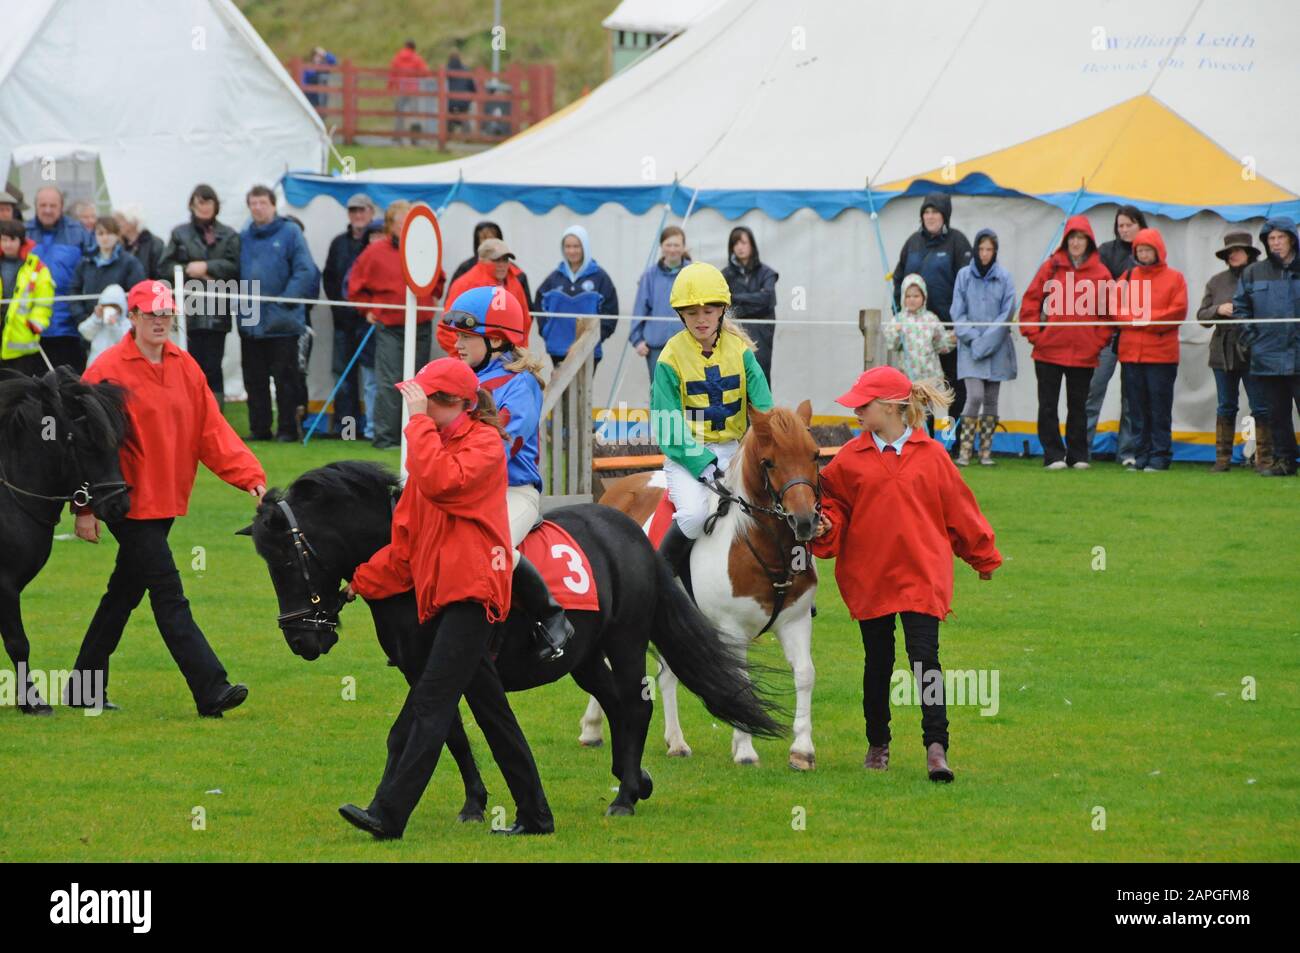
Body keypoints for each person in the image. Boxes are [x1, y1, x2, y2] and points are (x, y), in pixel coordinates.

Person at [339, 357, 554, 839]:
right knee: (492, 713)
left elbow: (441, 481)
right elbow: (406, 544)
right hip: (446, 596)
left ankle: (388, 815)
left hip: (474, 594)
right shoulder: (431, 448)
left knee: (432, 703)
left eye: (424, 399)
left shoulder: (482, 446)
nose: (415, 405)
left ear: (455, 403)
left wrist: (417, 424)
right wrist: (361, 580)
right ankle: (537, 816)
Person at [69, 279, 266, 716]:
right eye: (150, 313)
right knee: (169, 593)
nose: (160, 320)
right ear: (133, 317)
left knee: (123, 594)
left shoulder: (186, 366)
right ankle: (211, 688)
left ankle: (83, 684)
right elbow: (82, 444)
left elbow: (211, 431)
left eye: (166, 313)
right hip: (126, 503)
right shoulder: (106, 369)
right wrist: (83, 507)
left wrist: (250, 476)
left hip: (167, 501)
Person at [811, 365, 1000, 782]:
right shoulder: (847, 459)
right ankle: (877, 743)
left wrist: (981, 556)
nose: (856, 412)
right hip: (870, 575)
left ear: (892, 407)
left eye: (864, 405)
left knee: (925, 661)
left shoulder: (933, 456)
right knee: (878, 662)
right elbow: (830, 506)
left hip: (921, 575)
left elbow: (960, 511)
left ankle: (936, 748)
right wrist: (824, 524)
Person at [441, 285, 573, 659]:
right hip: (465, 487)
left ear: (496, 339)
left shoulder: (522, 383)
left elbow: (502, 445)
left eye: (467, 336)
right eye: (458, 336)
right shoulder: (460, 376)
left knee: (490, 547)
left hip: (514, 491)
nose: (458, 344)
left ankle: (552, 618)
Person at [651, 262, 772, 578]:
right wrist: (703, 464)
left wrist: (767, 446)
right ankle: (660, 581)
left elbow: (763, 407)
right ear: (681, 315)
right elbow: (667, 423)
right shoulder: (670, 356)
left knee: (775, 505)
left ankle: (796, 586)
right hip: (687, 456)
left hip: (734, 452)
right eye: (692, 313)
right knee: (693, 516)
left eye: (708, 311)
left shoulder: (741, 351)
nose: (700, 319)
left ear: (721, 310)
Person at [348, 200, 444, 450]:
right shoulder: (375, 252)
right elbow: (354, 286)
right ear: (391, 225)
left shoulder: (423, 249)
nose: (407, 227)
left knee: (421, 383)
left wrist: (429, 298)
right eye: (403, 222)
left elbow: (438, 279)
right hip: (390, 326)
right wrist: (368, 309)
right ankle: (386, 438)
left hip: (421, 326)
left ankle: (417, 436)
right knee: (390, 382)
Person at [1019, 215, 1113, 469]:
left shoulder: (1101, 273)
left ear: (1089, 241)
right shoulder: (1050, 267)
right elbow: (1030, 302)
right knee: (1048, 405)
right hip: (1048, 351)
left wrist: (1097, 342)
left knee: (1079, 406)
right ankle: (1053, 455)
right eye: (1072, 237)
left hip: (1084, 353)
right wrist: (1036, 336)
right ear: (1066, 240)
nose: (1076, 242)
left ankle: (1078, 455)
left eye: (1080, 238)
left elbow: (1110, 314)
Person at [238, 185, 320, 442]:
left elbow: (305, 270)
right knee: (254, 379)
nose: (257, 208)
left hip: (283, 322)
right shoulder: (243, 237)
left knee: (286, 379)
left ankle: (287, 429)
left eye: (262, 202)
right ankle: (259, 429)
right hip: (250, 321)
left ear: (273, 205)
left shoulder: (291, 233)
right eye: (253, 203)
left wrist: (285, 300)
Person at [893, 192, 973, 449]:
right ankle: (920, 442)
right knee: (915, 397)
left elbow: (967, 283)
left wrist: (961, 321)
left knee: (949, 394)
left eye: (935, 212)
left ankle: (950, 442)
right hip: (914, 337)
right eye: (926, 212)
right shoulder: (912, 243)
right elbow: (898, 279)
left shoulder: (957, 242)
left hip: (945, 332)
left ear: (944, 216)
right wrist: (900, 316)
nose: (930, 217)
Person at [1112, 228, 1186, 472]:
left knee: (1159, 408)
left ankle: (1160, 455)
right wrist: (1143, 320)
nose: (1143, 254)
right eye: (1140, 250)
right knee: (1137, 409)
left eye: (1147, 250)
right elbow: (1115, 308)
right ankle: (1140, 455)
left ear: (1158, 251)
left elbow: (1177, 312)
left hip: (1161, 356)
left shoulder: (1175, 278)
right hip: (1131, 354)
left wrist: (1142, 320)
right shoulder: (1128, 276)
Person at [160, 184, 241, 403]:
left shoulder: (229, 235)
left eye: (208, 202)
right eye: (199, 203)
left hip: (217, 310)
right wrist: (188, 270)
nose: (203, 207)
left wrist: (206, 267)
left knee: (214, 367)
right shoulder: (179, 234)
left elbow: (235, 268)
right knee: (190, 366)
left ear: (216, 206)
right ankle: (193, 414)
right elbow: (164, 268)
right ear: (191, 206)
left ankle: (215, 416)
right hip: (189, 311)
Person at [1196, 231, 1267, 472]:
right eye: (1230, 252)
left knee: (1260, 406)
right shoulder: (1216, 281)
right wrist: (1218, 309)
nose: (1233, 255)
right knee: (1226, 405)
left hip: (1254, 348)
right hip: (1223, 350)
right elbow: (1201, 317)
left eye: (1238, 250)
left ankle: (1263, 458)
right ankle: (1222, 459)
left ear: (1249, 253)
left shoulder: (1261, 277)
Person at [1235, 217, 1300, 477]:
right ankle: (1285, 461)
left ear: (1292, 239)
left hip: (1298, 352)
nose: (1275, 243)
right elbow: (1241, 310)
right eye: (1271, 239)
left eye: (1280, 238)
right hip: (1267, 356)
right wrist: (1254, 340)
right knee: (1277, 414)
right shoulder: (1253, 272)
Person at [951, 229, 1018, 466]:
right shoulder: (963, 276)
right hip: (970, 348)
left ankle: (986, 452)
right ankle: (965, 450)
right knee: (975, 395)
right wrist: (974, 340)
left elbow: (1007, 311)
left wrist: (987, 341)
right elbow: (957, 313)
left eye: (989, 249)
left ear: (995, 251)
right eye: (981, 249)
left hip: (997, 346)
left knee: (991, 399)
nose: (985, 254)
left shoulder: (1005, 277)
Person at [1086, 206, 1148, 462]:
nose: (1124, 229)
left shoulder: (1149, 254)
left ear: (1140, 225)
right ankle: (1081, 448)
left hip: (1136, 334)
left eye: (1129, 225)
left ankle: (1128, 452)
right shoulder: (1105, 251)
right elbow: (1098, 290)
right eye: (1120, 225)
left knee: (1132, 396)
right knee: (1093, 390)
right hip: (1106, 334)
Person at [322, 193, 376, 437]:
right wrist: (341, 309)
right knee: (343, 375)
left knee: (372, 378)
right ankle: (347, 431)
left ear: (371, 212)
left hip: (370, 322)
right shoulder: (338, 243)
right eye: (353, 210)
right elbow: (330, 279)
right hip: (343, 321)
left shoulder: (376, 243)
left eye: (362, 210)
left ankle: (372, 428)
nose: (357, 215)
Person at [25, 186, 95, 371]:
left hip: (70, 327)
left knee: (70, 386)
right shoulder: (24, 233)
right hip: (30, 327)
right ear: (36, 207)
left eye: (53, 205)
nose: (48, 210)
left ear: (61, 207)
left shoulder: (78, 232)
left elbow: (93, 267)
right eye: (43, 205)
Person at [534, 225, 618, 368]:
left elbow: (610, 313)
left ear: (585, 247)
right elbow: (539, 305)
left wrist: (593, 339)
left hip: (589, 351)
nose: (572, 251)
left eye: (576, 246)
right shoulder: (554, 279)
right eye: (567, 246)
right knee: (560, 390)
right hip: (558, 350)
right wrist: (546, 331)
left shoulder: (600, 278)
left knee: (584, 391)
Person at [884, 274, 956, 434]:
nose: (912, 299)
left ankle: (944, 443)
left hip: (931, 377)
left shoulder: (931, 319)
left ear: (924, 297)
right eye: (908, 296)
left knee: (934, 412)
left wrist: (952, 338)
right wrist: (896, 333)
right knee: (912, 414)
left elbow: (941, 345)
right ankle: (912, 445)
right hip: (909, 379)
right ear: (903, 297)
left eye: (916, 295)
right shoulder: (898, 319)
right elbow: (892, 344)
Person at [630, 226, 690, 392]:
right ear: (661, 247)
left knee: (689, 392)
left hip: (688, 346)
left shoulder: (692, 273)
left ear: (684, 247)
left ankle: (687, 420)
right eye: (668, 245)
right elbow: (639, 308)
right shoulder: (649, 276)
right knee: (660, 392)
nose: (672, 249)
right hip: (656, 348)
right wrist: (637, 340)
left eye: (676, 245)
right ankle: (659, 420)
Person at [441, 237, 532, 345]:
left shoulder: (514, 283)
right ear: (481, 260)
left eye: (506, 259)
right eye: (497, 260)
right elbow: (447, 329)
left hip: (509, 355)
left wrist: (520, 353)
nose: (502, 264)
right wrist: (466, 356)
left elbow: (524, 323)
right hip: (475, 358)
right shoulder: (465, 284)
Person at [721, 226, 779, 387]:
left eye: (744, 242)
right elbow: (724, 304)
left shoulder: (766, 273)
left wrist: (736, 298)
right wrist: (754, 299)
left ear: (752, 245)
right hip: (734, 331)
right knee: (735, 375)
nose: (740, 247)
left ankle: (763, 412)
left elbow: (767, 300)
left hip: (762, 333)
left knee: (760, 375)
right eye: (735, 243)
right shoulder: (725, 274)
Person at [68, 217, 145, 330]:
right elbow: (74, 291)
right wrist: (83, 318)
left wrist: (125, 319)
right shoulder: (85, 263)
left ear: (117, 235)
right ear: (95, 235)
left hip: (120, 328)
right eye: (100, 233)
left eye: (109, 233)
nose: (105, 237)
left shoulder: (130, 263)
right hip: (92, 327)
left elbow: (138, 294)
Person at [0, 218, 54, 376]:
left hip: (21, 336)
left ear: (21, 241)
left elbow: (44, 301)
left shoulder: (37, 267)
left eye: (12, 239)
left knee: (20, 387)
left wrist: (35, 325)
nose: (8, 244)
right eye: (3, 239)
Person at [388, 40, 430, 144]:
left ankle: (398, 136)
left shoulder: (397, 58)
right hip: (413, 89)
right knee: (414, 114)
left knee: (399, 113)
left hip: (400, 89)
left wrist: (390, 86)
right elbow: (425, 72)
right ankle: (414, 138)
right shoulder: (416, 58)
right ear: (413, 48)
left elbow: (392, 73)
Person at [78, 284, 129, 368]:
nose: (110, 309)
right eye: (106, 306)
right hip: (95, 366)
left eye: (114, 307)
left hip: (117, 369)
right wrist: (96, 318)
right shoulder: (98, 322)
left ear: (122, 307)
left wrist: (114, 326)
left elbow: (125, 342)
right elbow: (84, 332)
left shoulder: (126, 323)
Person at [114, 205, 166, 281]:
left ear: (133, 221)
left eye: (120, 220)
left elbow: (160, 273)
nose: (117, 225)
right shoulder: (118, 245)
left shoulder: (155, 244)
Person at [446, 45, 477, 135]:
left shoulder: (446, 70)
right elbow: (472, 87)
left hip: (450, 102)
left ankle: (448, 133)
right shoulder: (466, 70)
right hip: (464, 102)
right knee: (465, 115)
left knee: (448, 115)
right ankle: (467, 135)